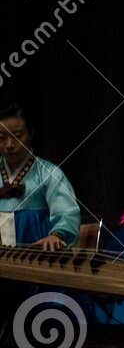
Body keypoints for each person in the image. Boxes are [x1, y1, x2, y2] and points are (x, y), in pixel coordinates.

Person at [0, 104, 80, 250]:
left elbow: (67, 213)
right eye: (1, 138)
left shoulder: (48, 173)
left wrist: (57, 235)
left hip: (36, 260)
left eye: (17, 136)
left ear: (30, 133)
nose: (9, 145)